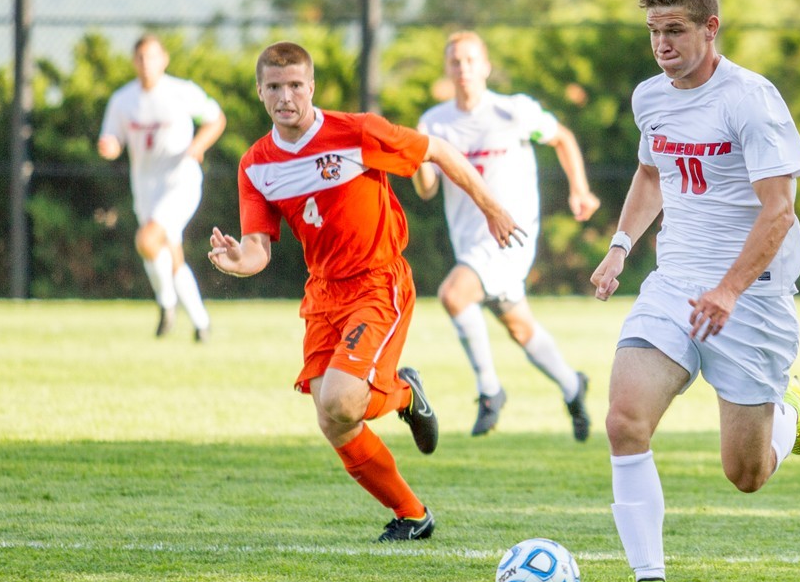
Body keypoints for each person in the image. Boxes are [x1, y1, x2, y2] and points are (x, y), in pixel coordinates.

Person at [207, 41, 522, 541]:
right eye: (274, 87)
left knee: (343, 400)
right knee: (333, 419)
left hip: (378, 281)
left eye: (294, 85)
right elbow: (257, 249)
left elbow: (435, 150)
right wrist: (235, 262)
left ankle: (402, 393)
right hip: (323, 293)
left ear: (310, 87)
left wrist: (490, 206)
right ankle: (413, 515)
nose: (285, 96)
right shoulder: (256, 165)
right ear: (261, 92)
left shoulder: (355, 132)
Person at [588, 0, 800, 582]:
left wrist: (729, 289)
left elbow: (779, 211)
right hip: (674, 283)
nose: (662, 45)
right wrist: (621, 245)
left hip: (753, 295)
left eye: (676, 31)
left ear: (710, 28)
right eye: (654, 32)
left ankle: (785, 405)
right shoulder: (650, 99)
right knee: (625, 419)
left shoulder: (751, 100)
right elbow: (653, 173)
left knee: (745, 474)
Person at [413, 31, 602, 440]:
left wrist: (579, 189)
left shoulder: (511, 112)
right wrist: (416, 160)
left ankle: (490, 393)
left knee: (453, 294)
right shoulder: (434, 121)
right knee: (519, 327)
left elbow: (562, 138)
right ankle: (573, 386)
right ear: (447, 70)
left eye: (470, 60)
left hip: (511, 236)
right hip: (470, 240)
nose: (463, 69)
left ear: (485, 67)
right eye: (455, 62)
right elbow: (427, 190)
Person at [98, 34, 226, 341]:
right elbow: (112, 139)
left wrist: (197, 146)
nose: (146, 64)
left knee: (147, 239)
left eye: (152, 57)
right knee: (169, 252)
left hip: (180, 183)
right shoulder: (123, 100)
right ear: (134, 61)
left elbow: (216, 119)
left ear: (164, 59)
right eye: (140, 57)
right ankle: (201, 323)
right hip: (146, 188)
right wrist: (110, 147)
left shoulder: (181, 91)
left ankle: (167, 302)